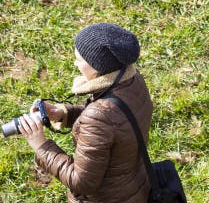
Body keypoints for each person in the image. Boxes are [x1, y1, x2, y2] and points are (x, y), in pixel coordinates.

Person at [18, 23, 153, 203]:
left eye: (80, 60)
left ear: (97, 67)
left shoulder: (99, 116)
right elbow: (113, 121)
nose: (75, 63)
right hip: (135, 187)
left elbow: (81, 182)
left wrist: (41, 145)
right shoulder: (132, 81)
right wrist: (63, 113)